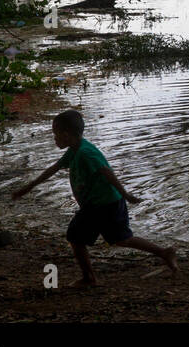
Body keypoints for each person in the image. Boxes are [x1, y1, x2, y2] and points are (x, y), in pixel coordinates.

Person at [11, 109, 176, 287]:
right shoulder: (75, 150)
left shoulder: (85, 153)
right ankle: (163, 252)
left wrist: (125, 194)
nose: (54, 138)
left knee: (76, 238)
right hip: (104, 203)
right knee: (120, 239)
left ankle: (89, 278)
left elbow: (106, 172)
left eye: (55, 134)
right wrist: (29, 186)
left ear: (66, 135)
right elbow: (54, 168)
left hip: (102, 205)